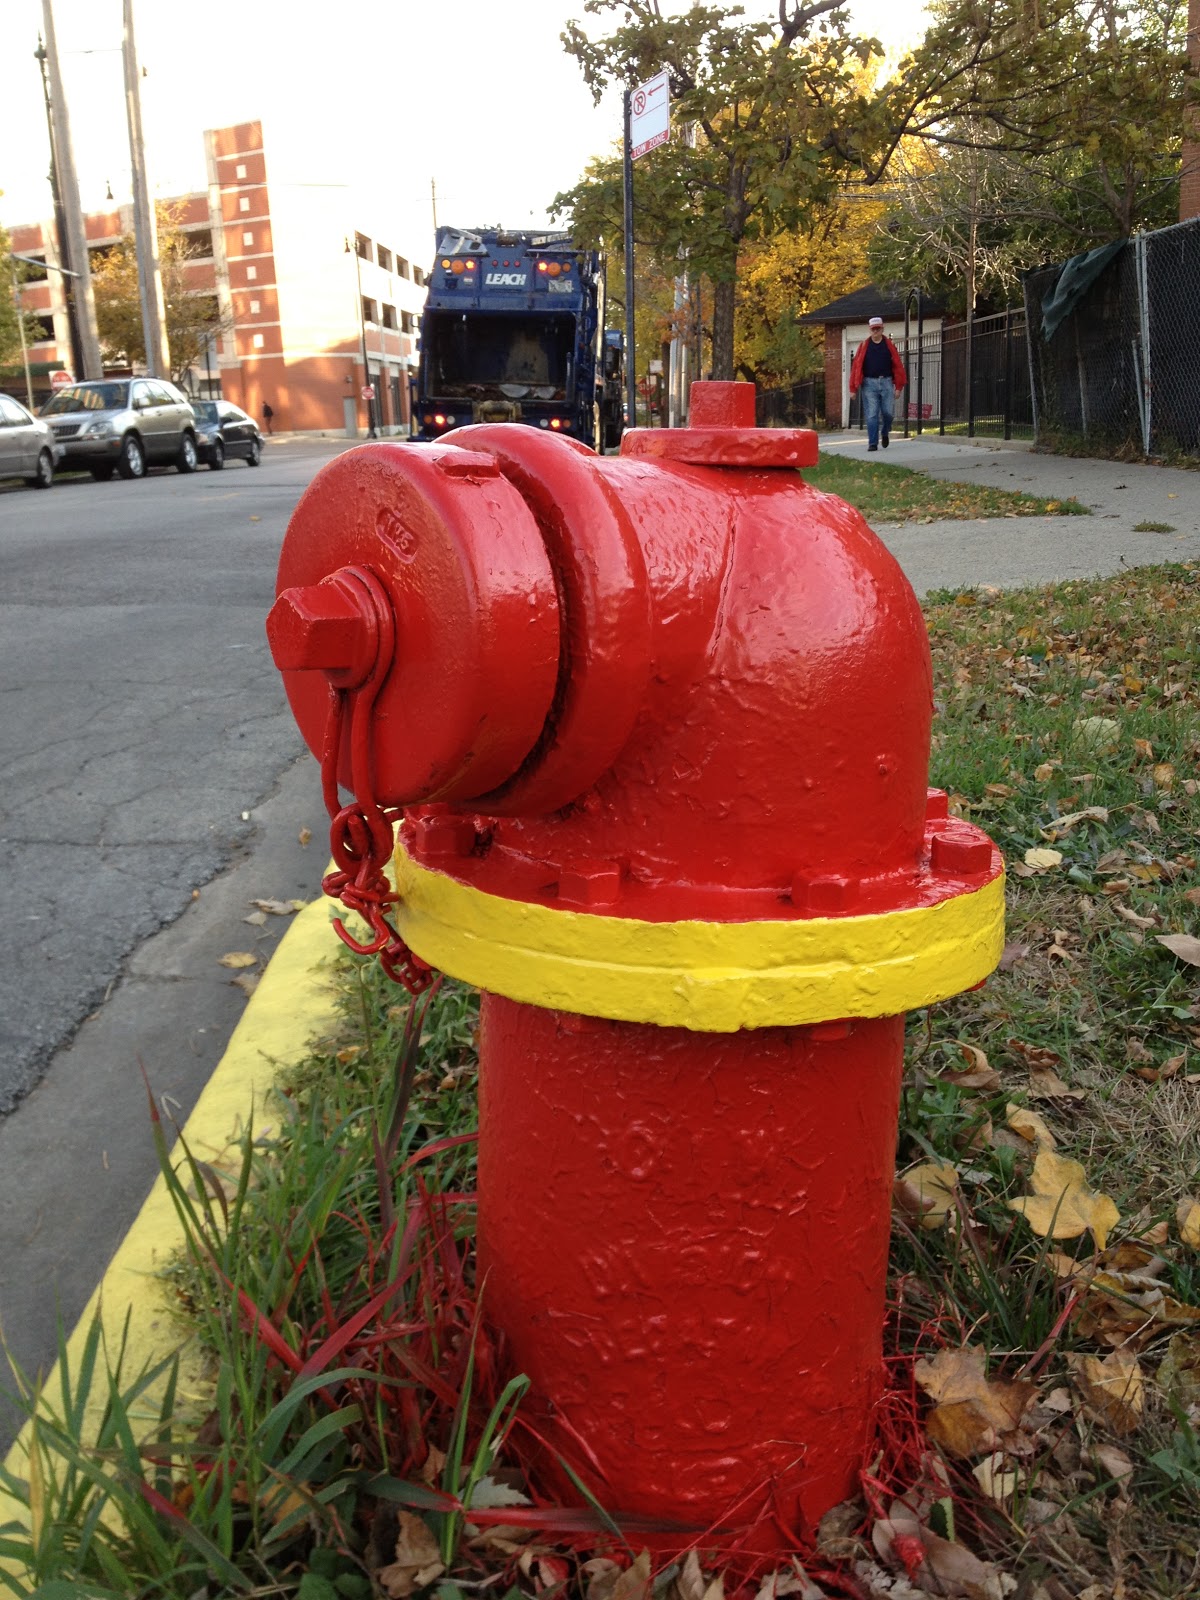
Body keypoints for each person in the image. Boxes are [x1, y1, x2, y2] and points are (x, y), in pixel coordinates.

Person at [848, 316, 907, 452]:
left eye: (878, 329)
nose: (875, 331)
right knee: (872, 414)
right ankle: (873, 443)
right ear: (869, 330)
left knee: (888, 413)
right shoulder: (864, 346)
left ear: (882, 329)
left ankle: (885, 431)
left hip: (886, 382)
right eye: (873, 329)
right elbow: (856, 367)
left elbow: (898, 366)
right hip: (869, 383)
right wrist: (853, 388)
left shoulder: (889, 346)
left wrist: (898, 387)